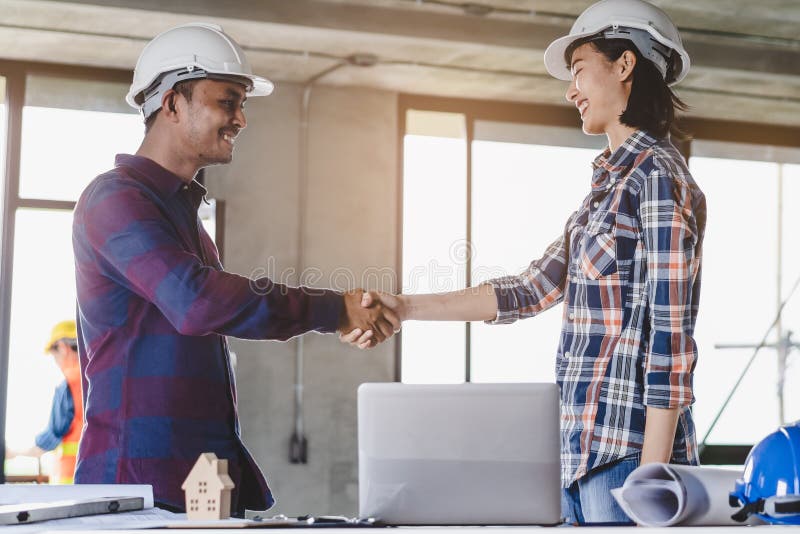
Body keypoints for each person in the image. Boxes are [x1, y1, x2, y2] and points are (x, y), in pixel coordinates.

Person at [342, 0, 706, 525]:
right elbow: (529, 289)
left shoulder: (658, 179)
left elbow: (670, 335)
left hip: (628, 463)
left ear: (625, 65)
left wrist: (652, 479)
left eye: (579, 70)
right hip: (578, 460)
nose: (570, 90)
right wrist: (404, 307)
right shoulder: (603, 194)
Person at [72, 22, 398, 514]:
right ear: (172, 103)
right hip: (134, 493)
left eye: (241, 104)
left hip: (193, 487)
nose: (241, 119)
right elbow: (198, 302)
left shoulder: (185, 220)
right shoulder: (115, 199)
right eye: (228, 101)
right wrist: (336, 309)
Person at [5, 320, 84, 484]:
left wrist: (13, 453)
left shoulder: (69, 387)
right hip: (104, 486)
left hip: (73, 486)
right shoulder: (100, 381)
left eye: (55, 355)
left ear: (62, 348)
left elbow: (48, 440)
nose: (56, 362)